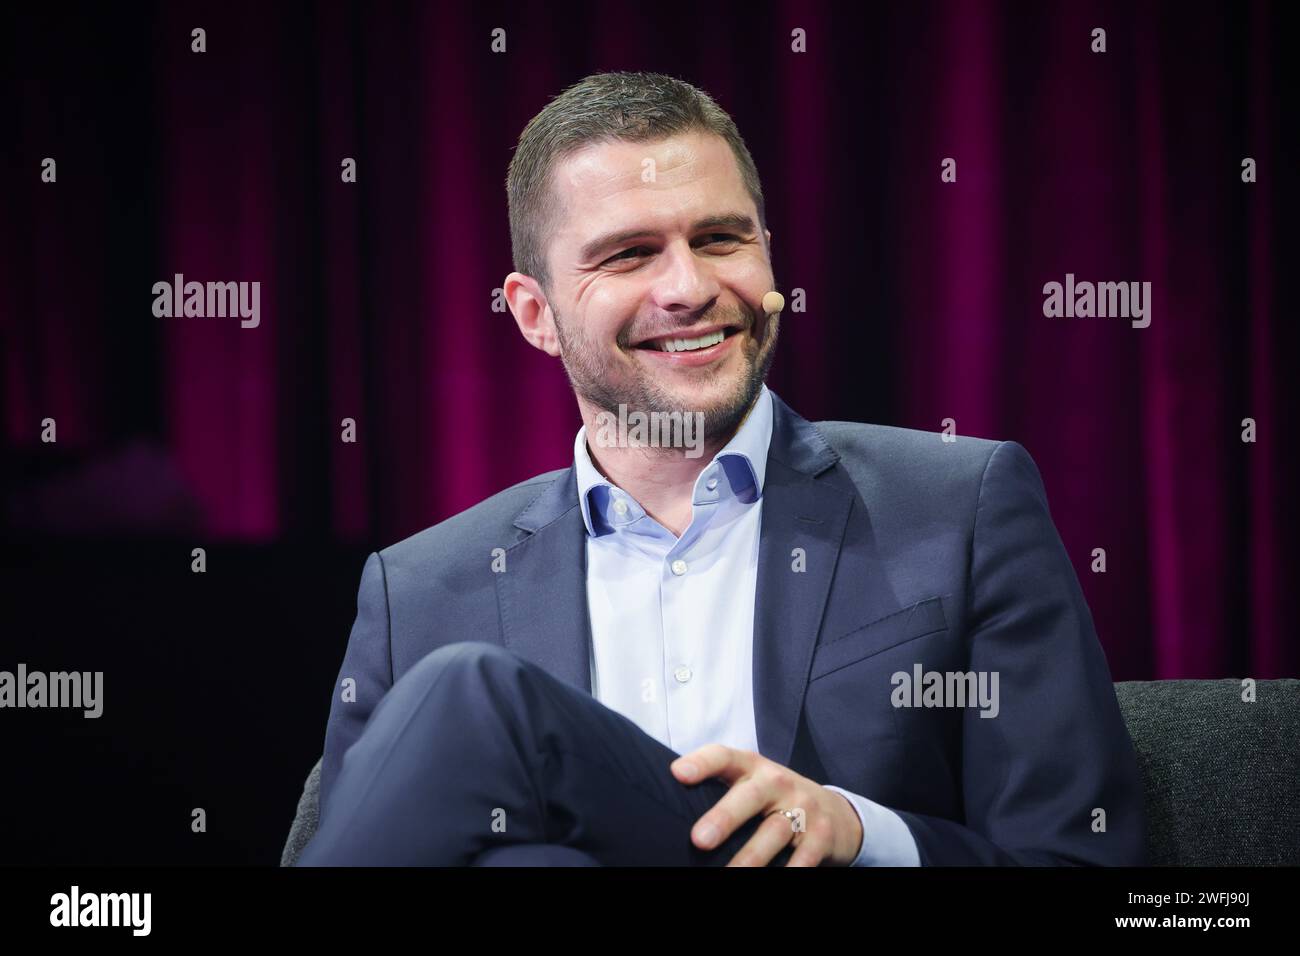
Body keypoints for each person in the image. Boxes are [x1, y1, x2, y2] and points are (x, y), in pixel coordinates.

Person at [296, 71, 1145, 867]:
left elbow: (1080, 855)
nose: (689, 287)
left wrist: (859, 833)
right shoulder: (416, 594)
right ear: (535, 314)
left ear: (768, 257)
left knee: (475, 693)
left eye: (720, 238)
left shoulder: (962, 507)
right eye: (628, 254)